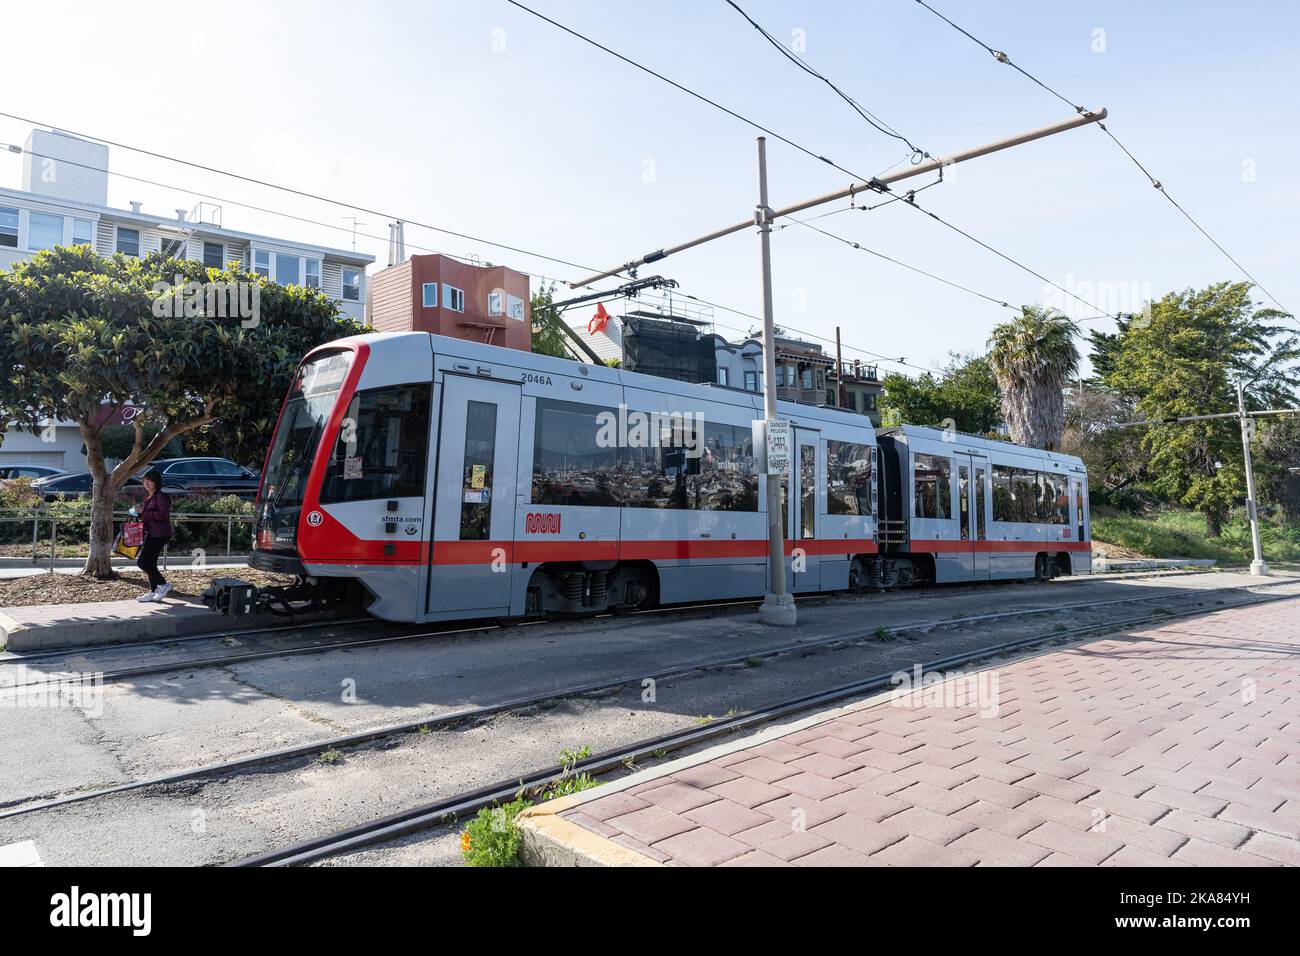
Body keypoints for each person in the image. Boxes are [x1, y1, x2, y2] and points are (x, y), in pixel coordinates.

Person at [135, 469, 173, 602]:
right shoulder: (148, 498)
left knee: (142, 562)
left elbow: (162, 515)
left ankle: (163, 584)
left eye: (150, 480)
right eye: (145, 480)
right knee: (150, 563)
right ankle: (153, 591)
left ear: (156, 482)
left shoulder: (162, 497)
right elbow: (148, 517)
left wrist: (144, 513)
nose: (146, 483)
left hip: (160, 534)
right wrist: (139, 514)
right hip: (151, 533)